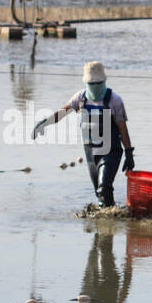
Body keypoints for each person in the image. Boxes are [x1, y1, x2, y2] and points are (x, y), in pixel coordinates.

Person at [33, 61, 134, 206]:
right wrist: (44, 123)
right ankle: (108, 223)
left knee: (103, 188)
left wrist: (129, 153)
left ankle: (109, 219)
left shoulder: (114, 100)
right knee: (100, 194)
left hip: (111, 152)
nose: (95, 86)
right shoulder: (81, 98)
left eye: (98, 83)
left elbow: (123, 129)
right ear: (86, 83)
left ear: (104, 81)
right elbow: (62, 113)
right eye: (91, 83)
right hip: (91, 154)